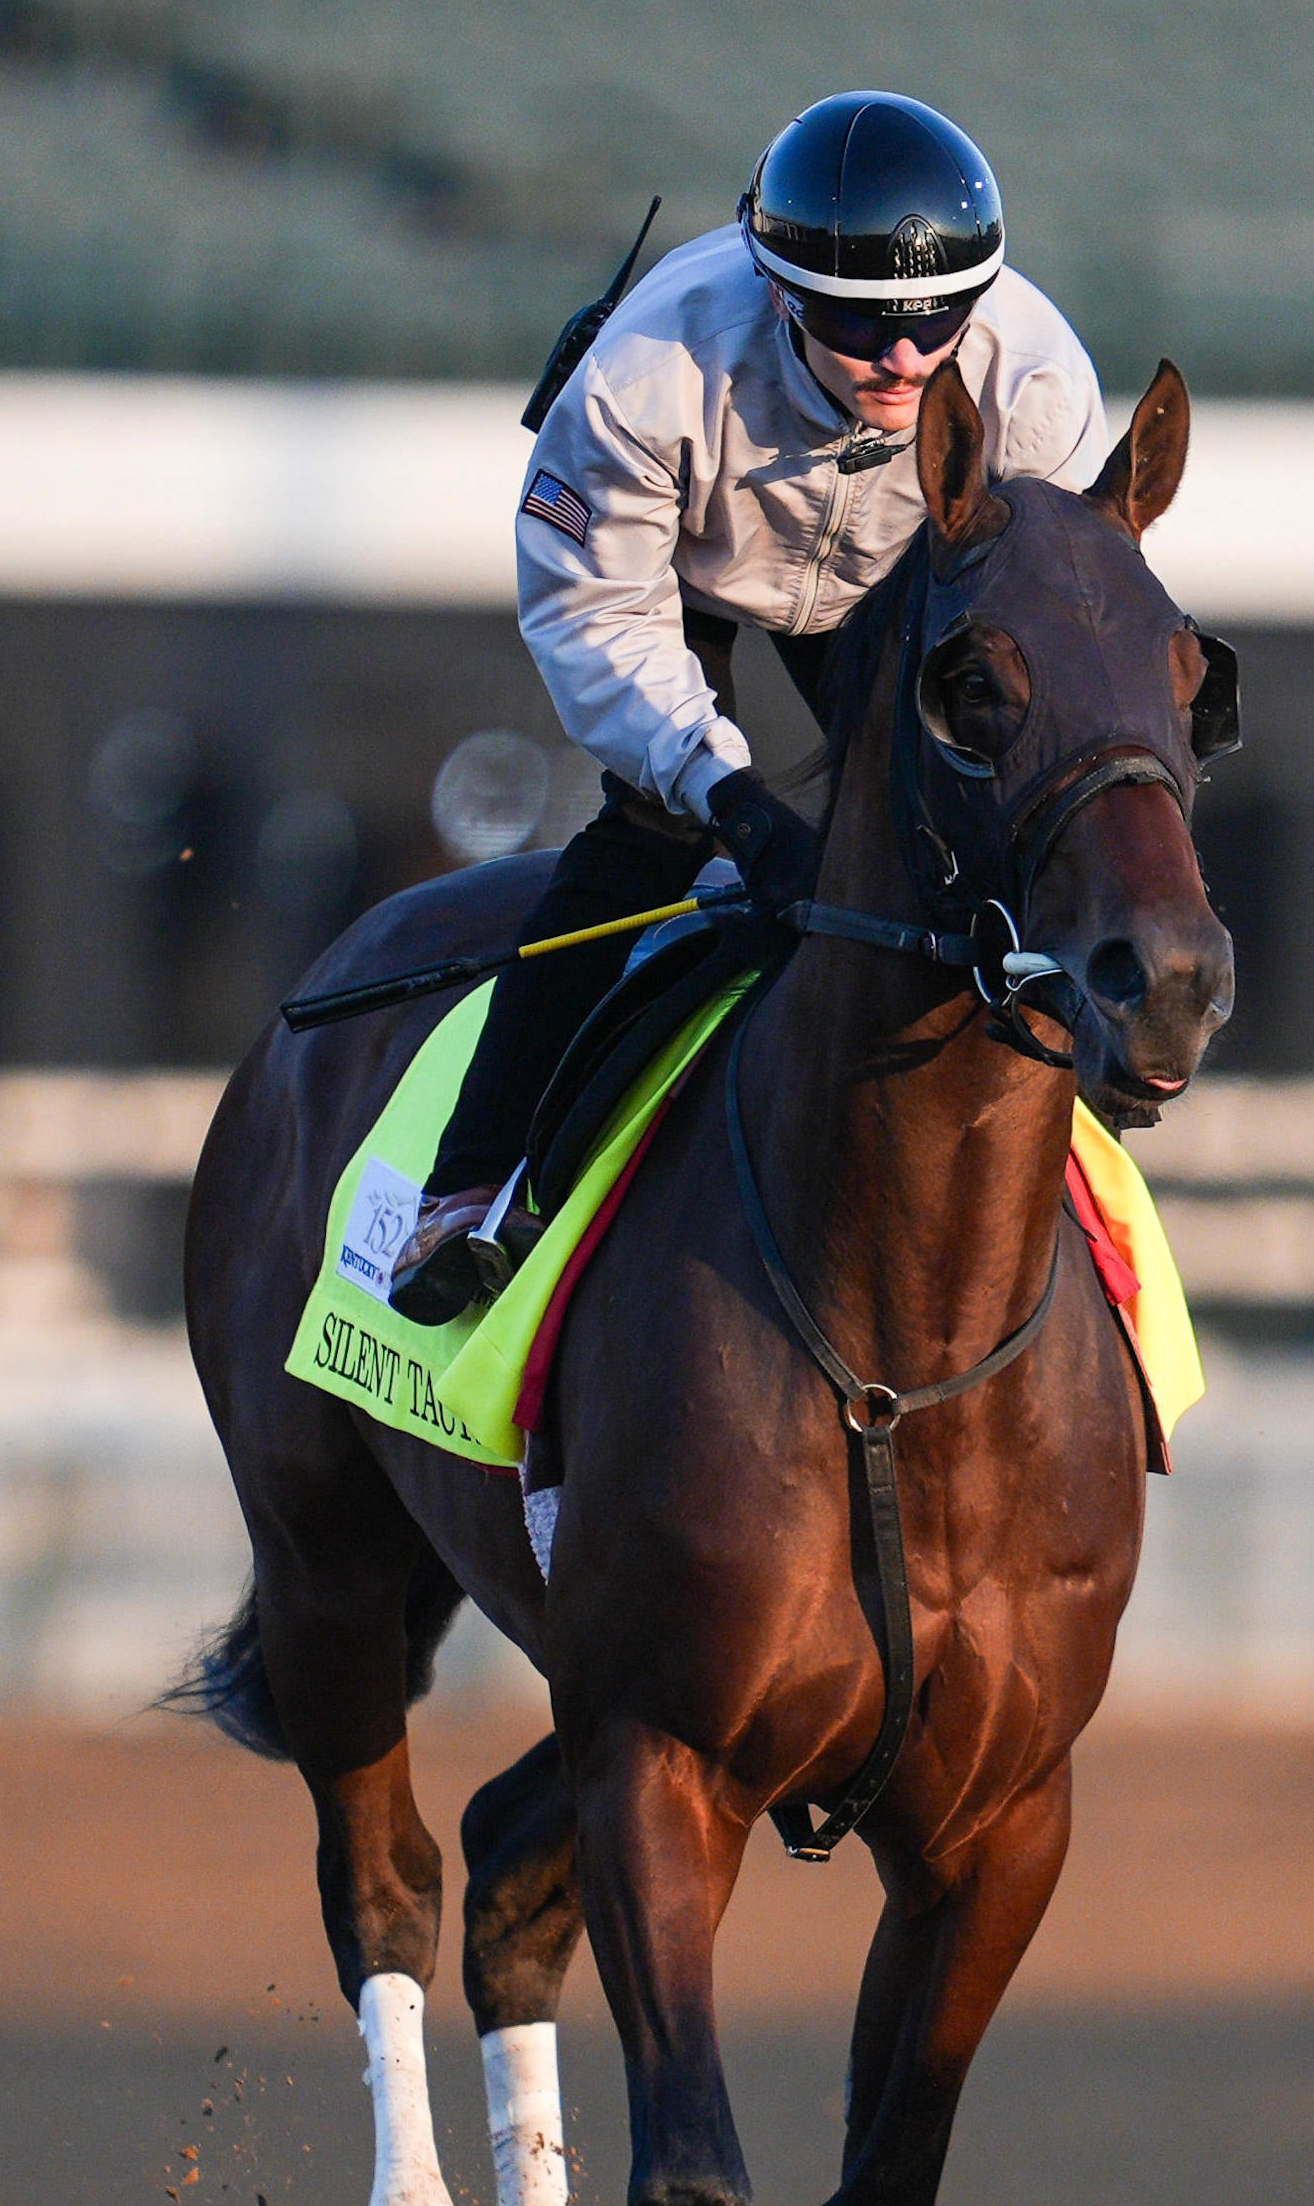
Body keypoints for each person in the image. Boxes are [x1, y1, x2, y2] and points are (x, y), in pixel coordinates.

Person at [384, 90, 1112, 1322]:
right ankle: (464, 1189)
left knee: (970, 829)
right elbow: (596, 616)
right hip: (683, 573)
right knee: (654, 829)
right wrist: (725, 794)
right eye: (859, 326)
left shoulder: (1036, 385)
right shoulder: (644, 374)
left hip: (896, 580)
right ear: (778, 293)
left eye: (937, 323)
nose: (905, 361)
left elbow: (1046, 630)